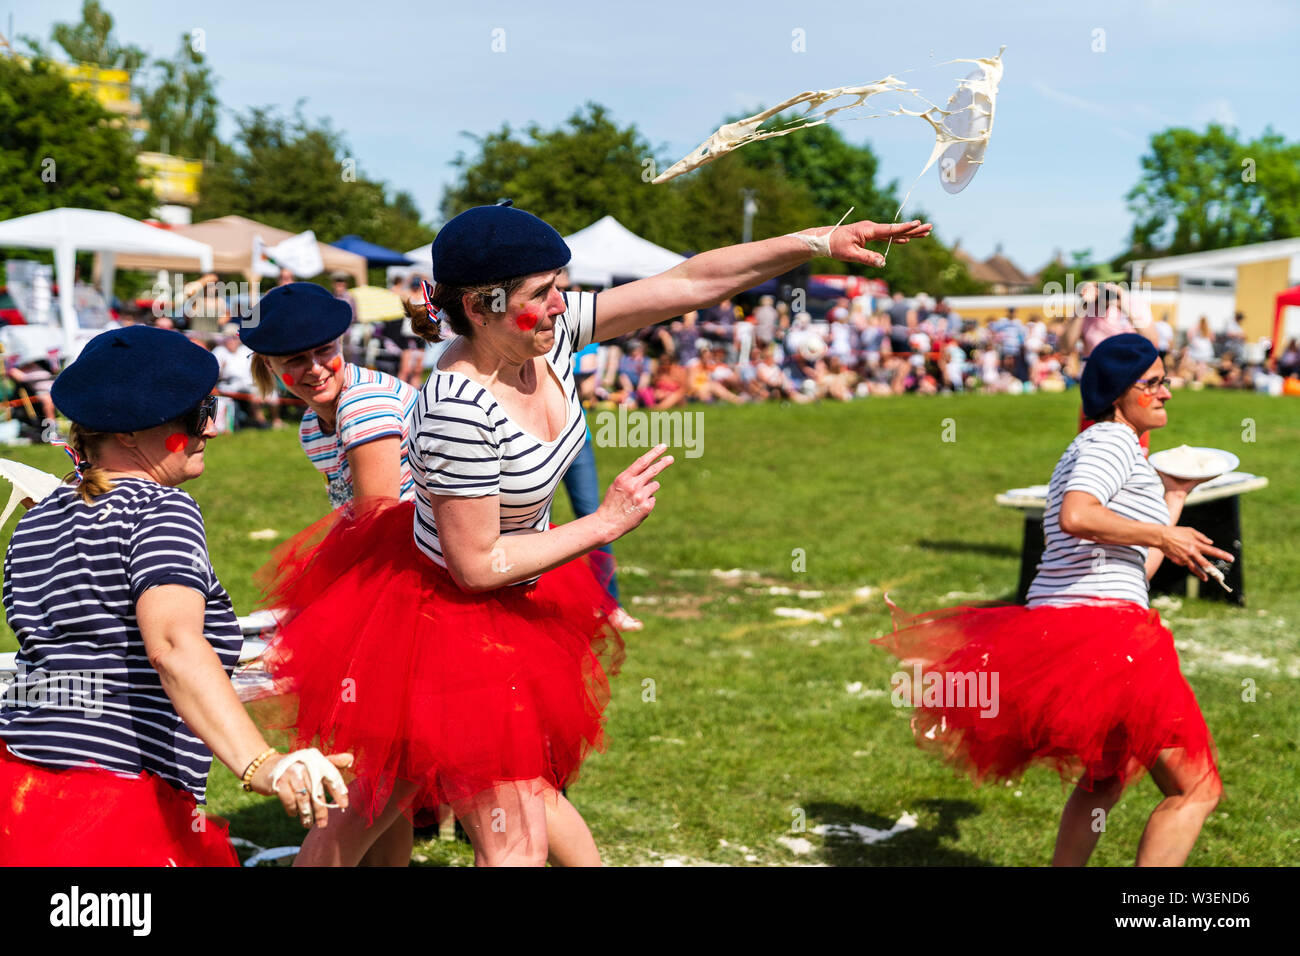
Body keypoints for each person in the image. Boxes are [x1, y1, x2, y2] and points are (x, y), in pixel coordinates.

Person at [259, 201, 932, 866]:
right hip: (444, 621)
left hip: (508, 605)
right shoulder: (457, 409)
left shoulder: (544, 335)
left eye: (561, 287)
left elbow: (690, 282)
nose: (562, 304)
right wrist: (604, 523)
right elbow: (476, 564)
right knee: (495, 833)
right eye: (543, 292)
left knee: (396, 811)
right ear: (481, 306)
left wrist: (817, 240)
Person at [874, 334, 1230, 866]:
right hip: (1108, 637)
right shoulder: (1109, 442)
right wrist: (1163, 535)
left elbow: (1134, 572)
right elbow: (1077, 515)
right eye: (1152, 383)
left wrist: (1173, 498)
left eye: (1165, 381)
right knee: (1196, 790)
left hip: (1081, 631)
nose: (1165, 394)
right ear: (1117, 393)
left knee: (1102, 784)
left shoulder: (1106, 446)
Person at [0, 326, 350, 865]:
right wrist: (261, 763)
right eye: (197, 414)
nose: (211, 428)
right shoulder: (160, 511)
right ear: (134, 435)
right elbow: (171, 646)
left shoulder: (38, 517)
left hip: (21, 781)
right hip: (116, 793)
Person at [240, 282, 421, 865]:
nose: (315, 367)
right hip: (401, 571)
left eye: (325, 350)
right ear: (266, 364)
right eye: (294, 359)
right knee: (380, 749)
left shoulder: (363, 405)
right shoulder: (313, 426)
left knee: (480, 768)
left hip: (434, 576)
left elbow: (377, 515)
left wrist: (329, 607)